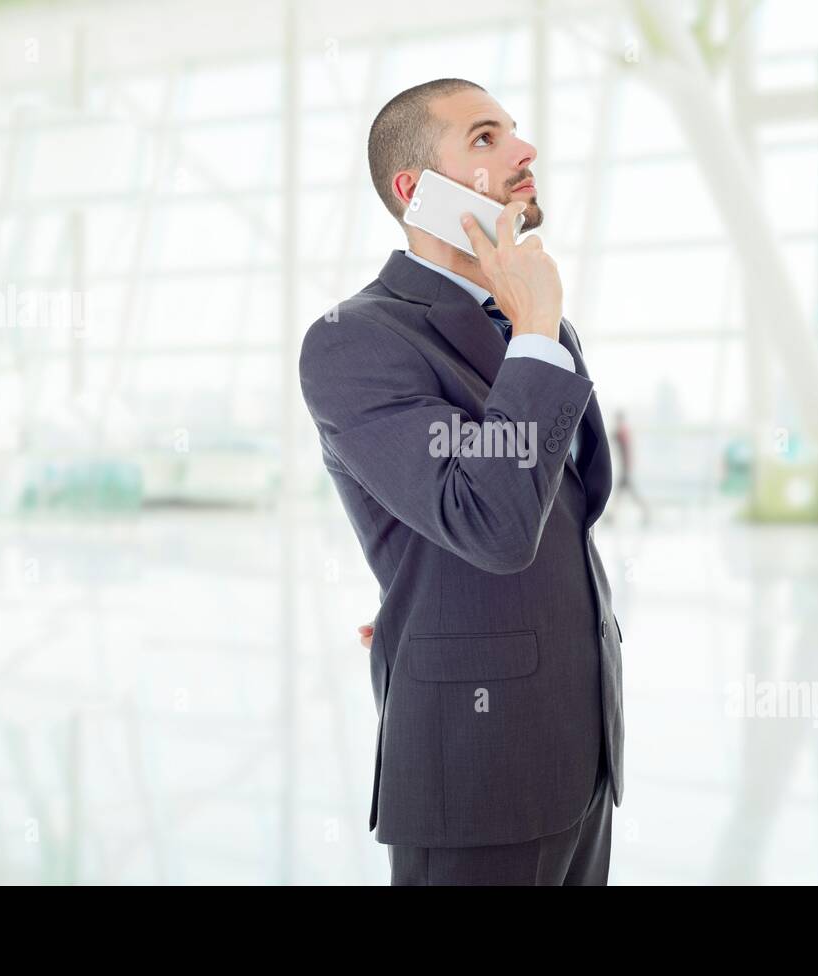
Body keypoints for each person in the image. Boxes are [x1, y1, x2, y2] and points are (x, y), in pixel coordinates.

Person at [298, 78, 624, 885]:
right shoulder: (355, 341)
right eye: (484, 138)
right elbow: (494, 523)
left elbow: (549, 516)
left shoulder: (526, 321)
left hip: (580, 746)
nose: (524, 150)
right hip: (477, 770)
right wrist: (540, 333)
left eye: (514, 130)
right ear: (415, 190)